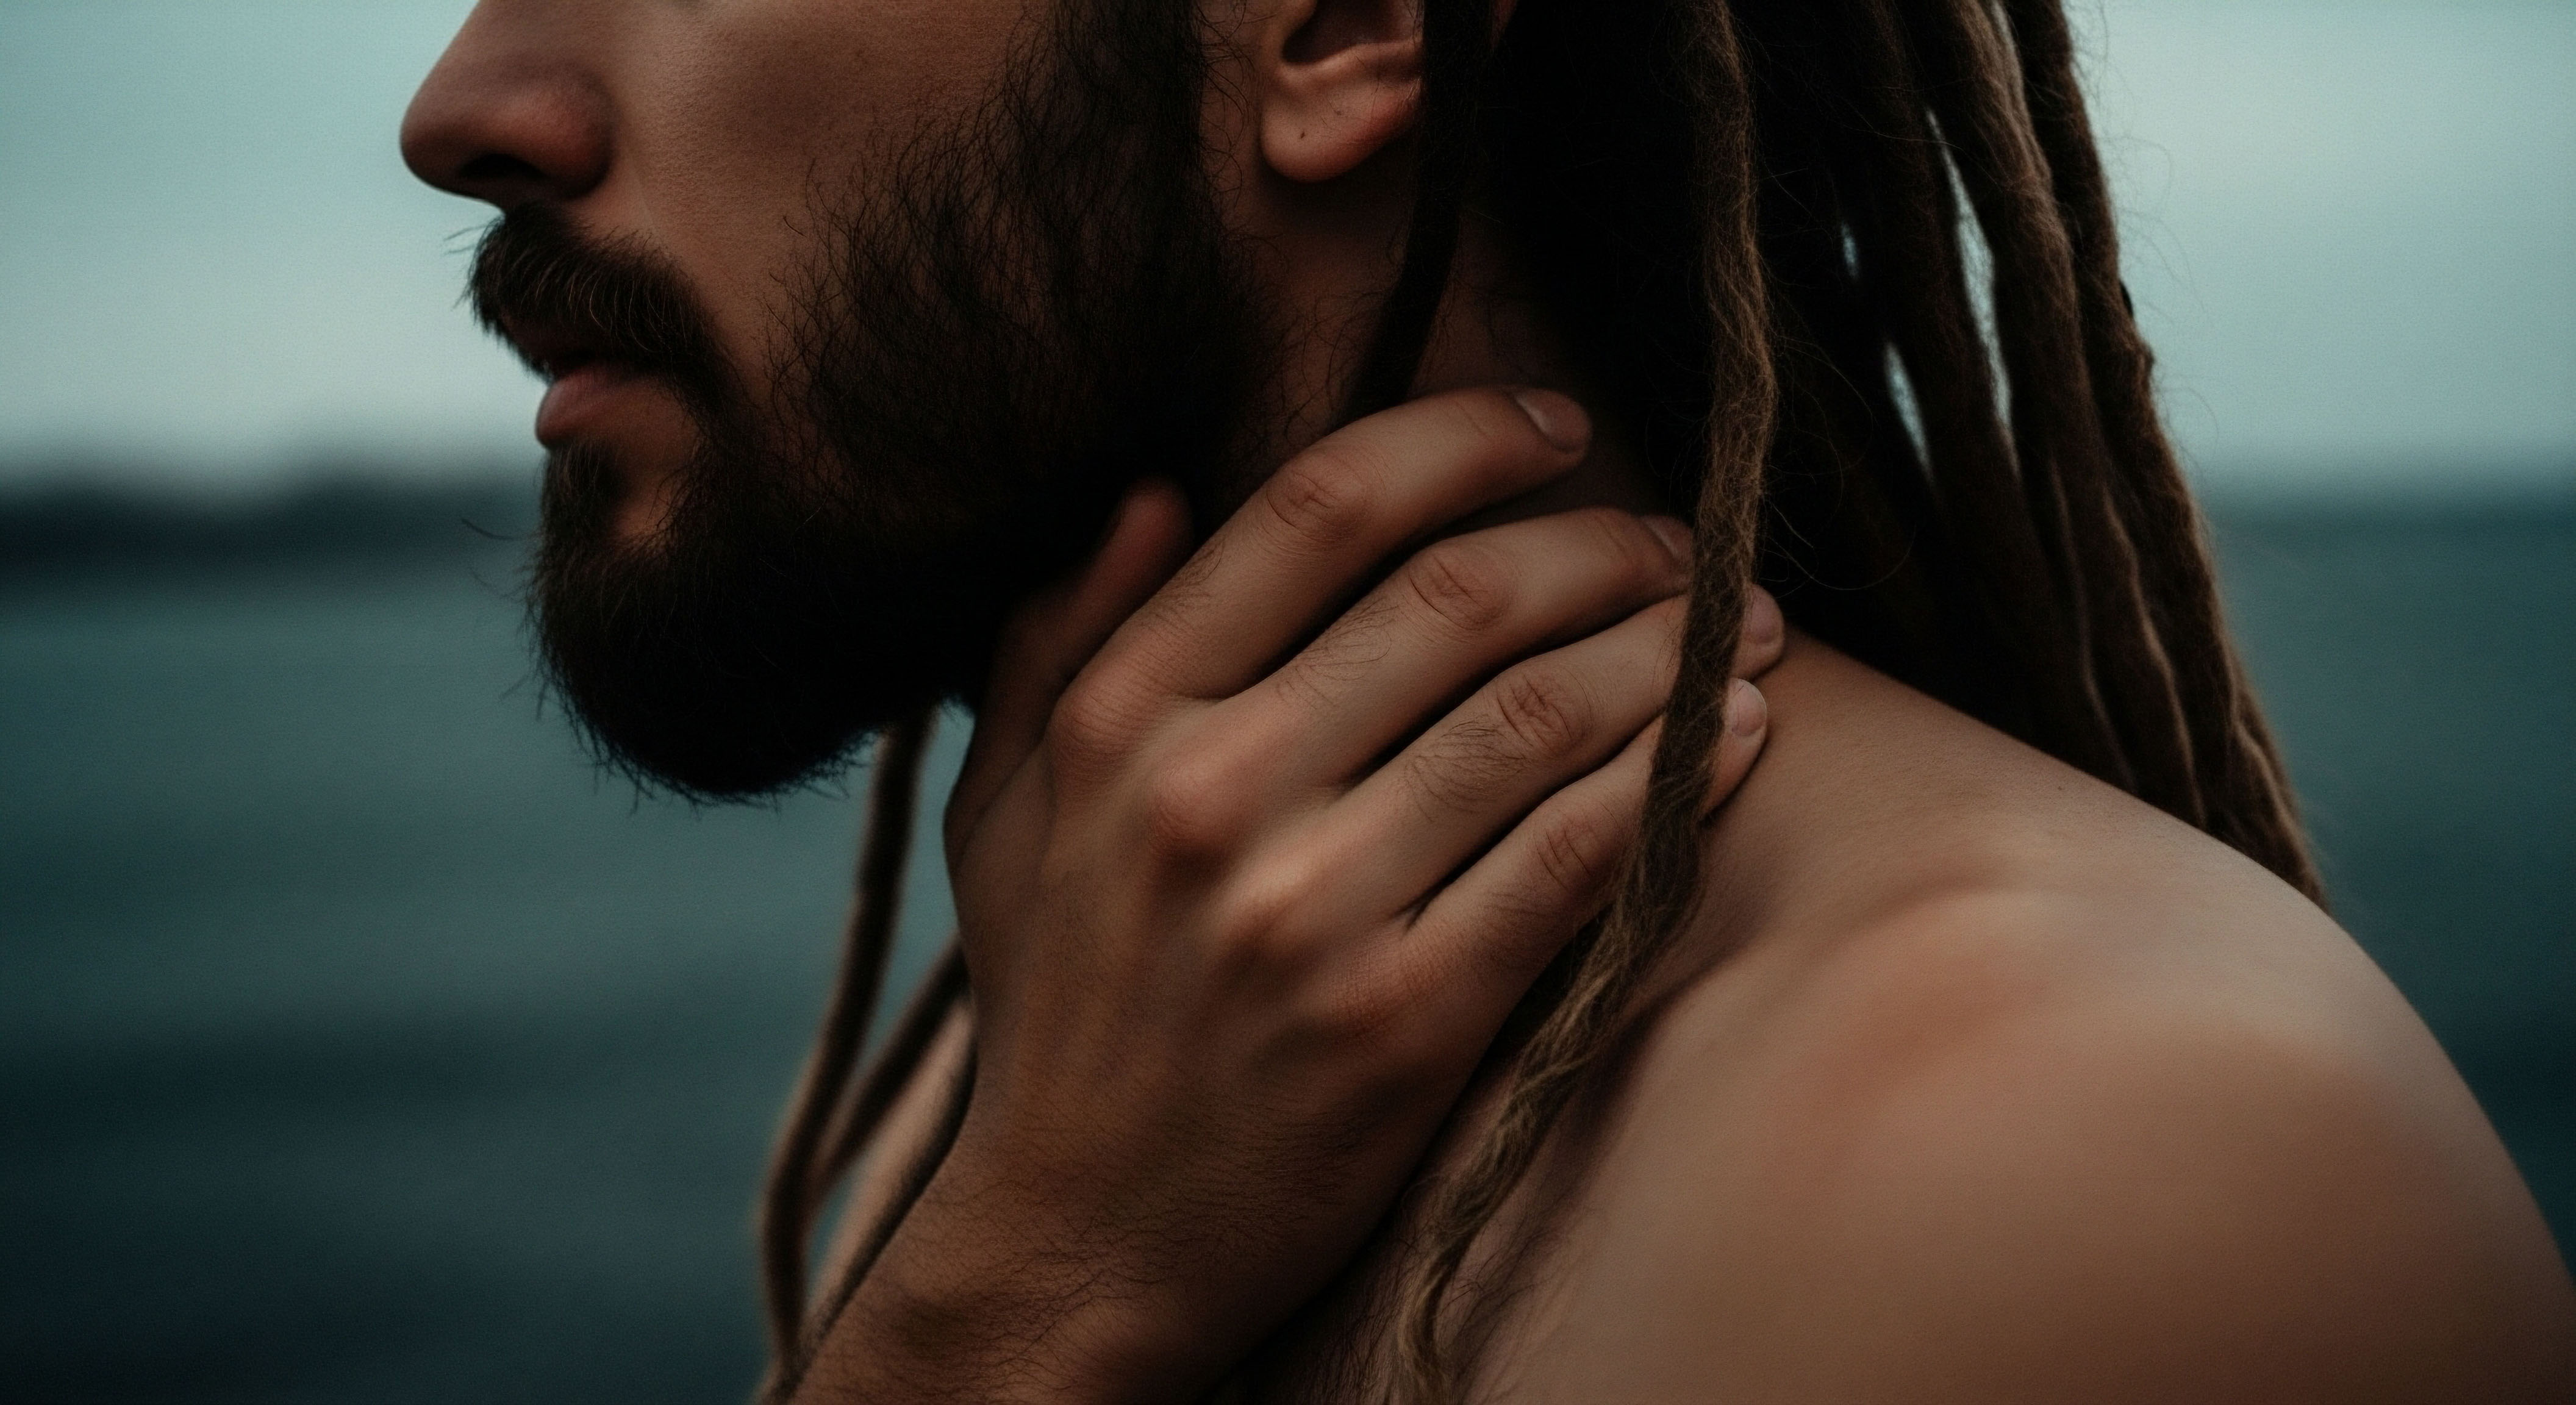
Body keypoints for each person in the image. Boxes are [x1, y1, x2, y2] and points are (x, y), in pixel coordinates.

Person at [401, 0, 2576, 1398]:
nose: (461, 106)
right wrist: (1011, 1283)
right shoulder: (1080, 1061)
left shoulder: (2094, 1170)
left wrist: (1001, 1329)